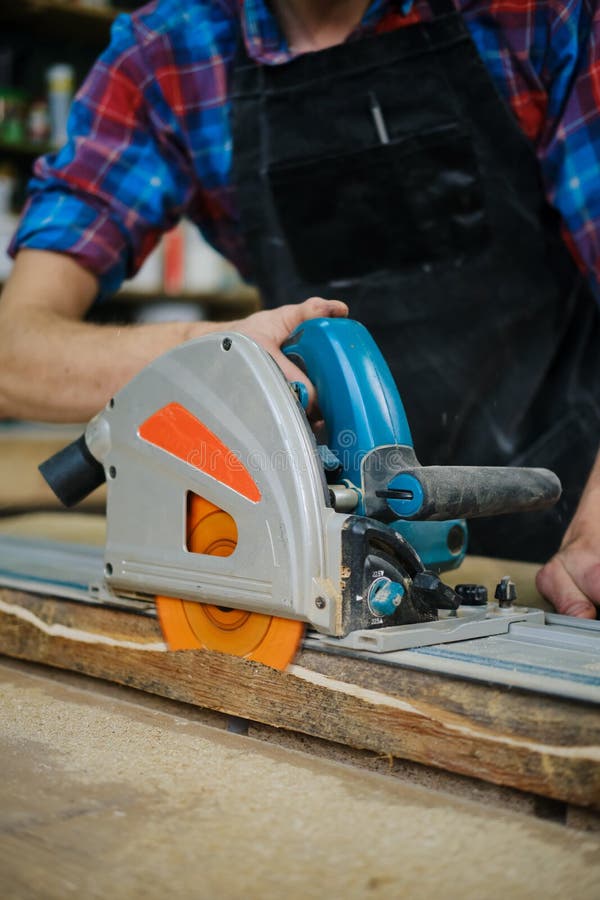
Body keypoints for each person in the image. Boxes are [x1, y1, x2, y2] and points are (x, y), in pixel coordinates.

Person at [0, 0, 599, 619]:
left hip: (560, 516)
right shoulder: (165, 55)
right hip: (317, 533)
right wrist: (222, 362)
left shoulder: (537, 14)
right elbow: (13, 356)